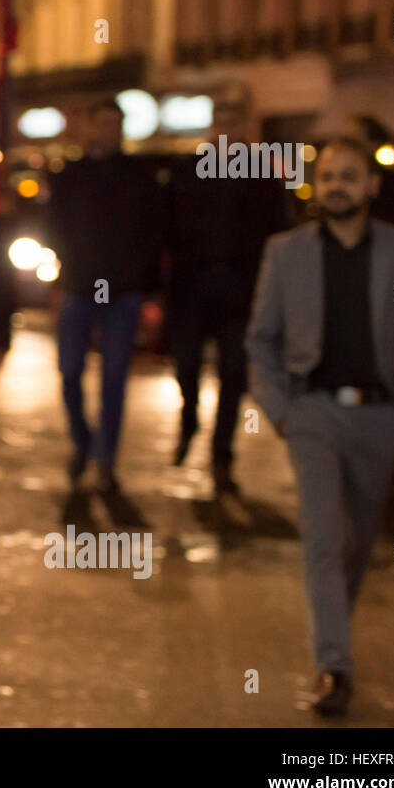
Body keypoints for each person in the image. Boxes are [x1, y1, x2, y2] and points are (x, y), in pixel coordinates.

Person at [246, 136, 394, 715]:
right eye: (328, 177)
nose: (337, 186)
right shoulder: (286, 251)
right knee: (324, 540)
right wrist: (280, 409)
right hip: (313, 414)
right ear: (315, 185)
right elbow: (262, 340)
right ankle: (334, 666)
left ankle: (333, 642)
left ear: (372, 186)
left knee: (356, 546)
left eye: (349, 176)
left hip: (381, 417)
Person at [46, 97, 164, 526]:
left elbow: (153, 231)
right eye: (103, 122)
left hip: (123, 291)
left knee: (114, 379)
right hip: (79, 285)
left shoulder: (139, 176)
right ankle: (84, 442)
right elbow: (53, 225)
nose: (110, 130)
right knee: (70, 372)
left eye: (116, 123)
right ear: (91, 127)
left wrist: (145, 282)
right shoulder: (70, 175)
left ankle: (105, 461)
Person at [166, 99, 287, 503]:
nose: (224, 131)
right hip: (192, 290)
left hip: (239, 290)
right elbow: (168, 229)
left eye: (231, 124)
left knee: (233, 374)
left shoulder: (261, 176)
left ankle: (222, 459)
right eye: (219, 123)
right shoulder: (188, 171)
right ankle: (189, 422)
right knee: (187, 366)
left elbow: (276, 235)